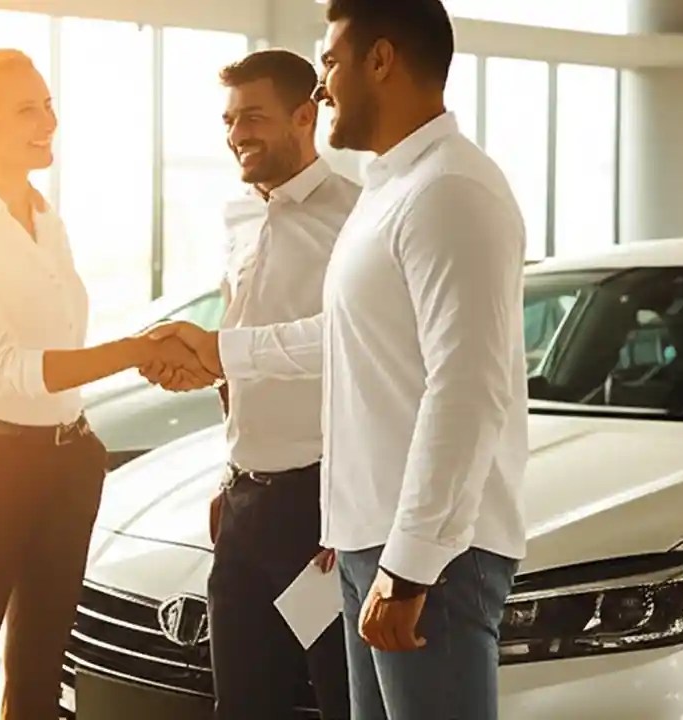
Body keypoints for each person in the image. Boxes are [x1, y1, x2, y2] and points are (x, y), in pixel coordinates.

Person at [148, 1, 529, 717]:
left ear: (379, 60)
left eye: (329, 62)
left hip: (428, 558)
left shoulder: (451, 191)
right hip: (367, 540)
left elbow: (467, 391)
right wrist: (223, 349)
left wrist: (411, 567)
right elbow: (343, 335)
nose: (321, 88)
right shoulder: (394, 190)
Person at [0, 48, 213, 720]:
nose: (49, 120)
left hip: (65, 462)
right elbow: (10, 367)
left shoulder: (49, 222)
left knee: (43, 673)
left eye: (48, 104)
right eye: (27, 109)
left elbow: (60, 353)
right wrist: (137, 350)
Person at [150, 48, 360, 719]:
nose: (236, 133)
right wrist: (211, 385)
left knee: (343, 701)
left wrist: (224, 354)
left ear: (307, 116)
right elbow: (242, 337)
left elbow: (350, 348)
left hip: (325, 508)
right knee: (242, 704)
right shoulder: (236, 216)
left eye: (254, 117)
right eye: (229, 118)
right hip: (245, 505)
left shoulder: (359, 218)